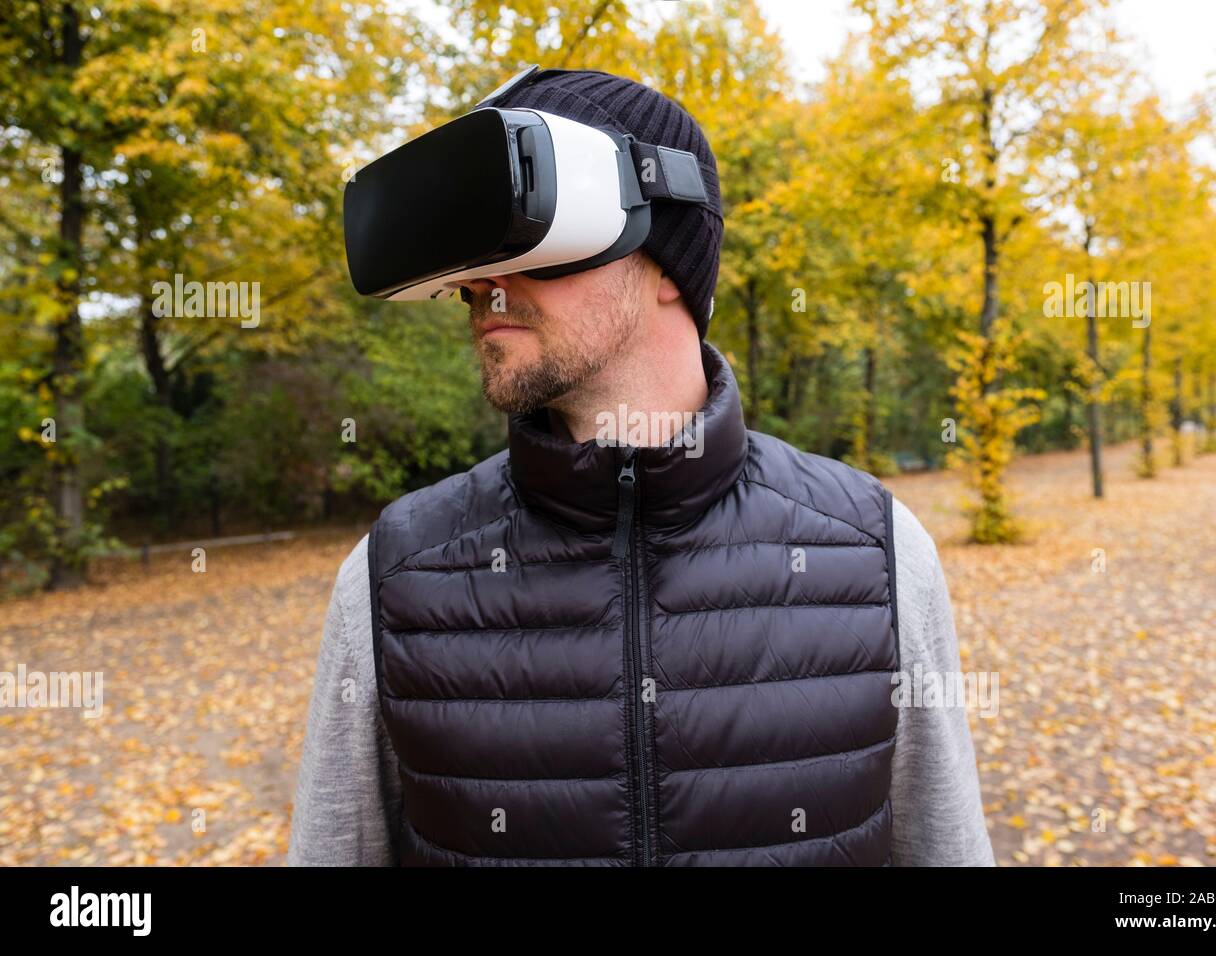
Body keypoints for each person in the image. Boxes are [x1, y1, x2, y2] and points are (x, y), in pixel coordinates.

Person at [288, 68, 994, 866]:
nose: (485, 286)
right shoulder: (391, 578)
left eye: (529, 240)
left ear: (667, 263)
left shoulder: (877, 554)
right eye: (476, 261)